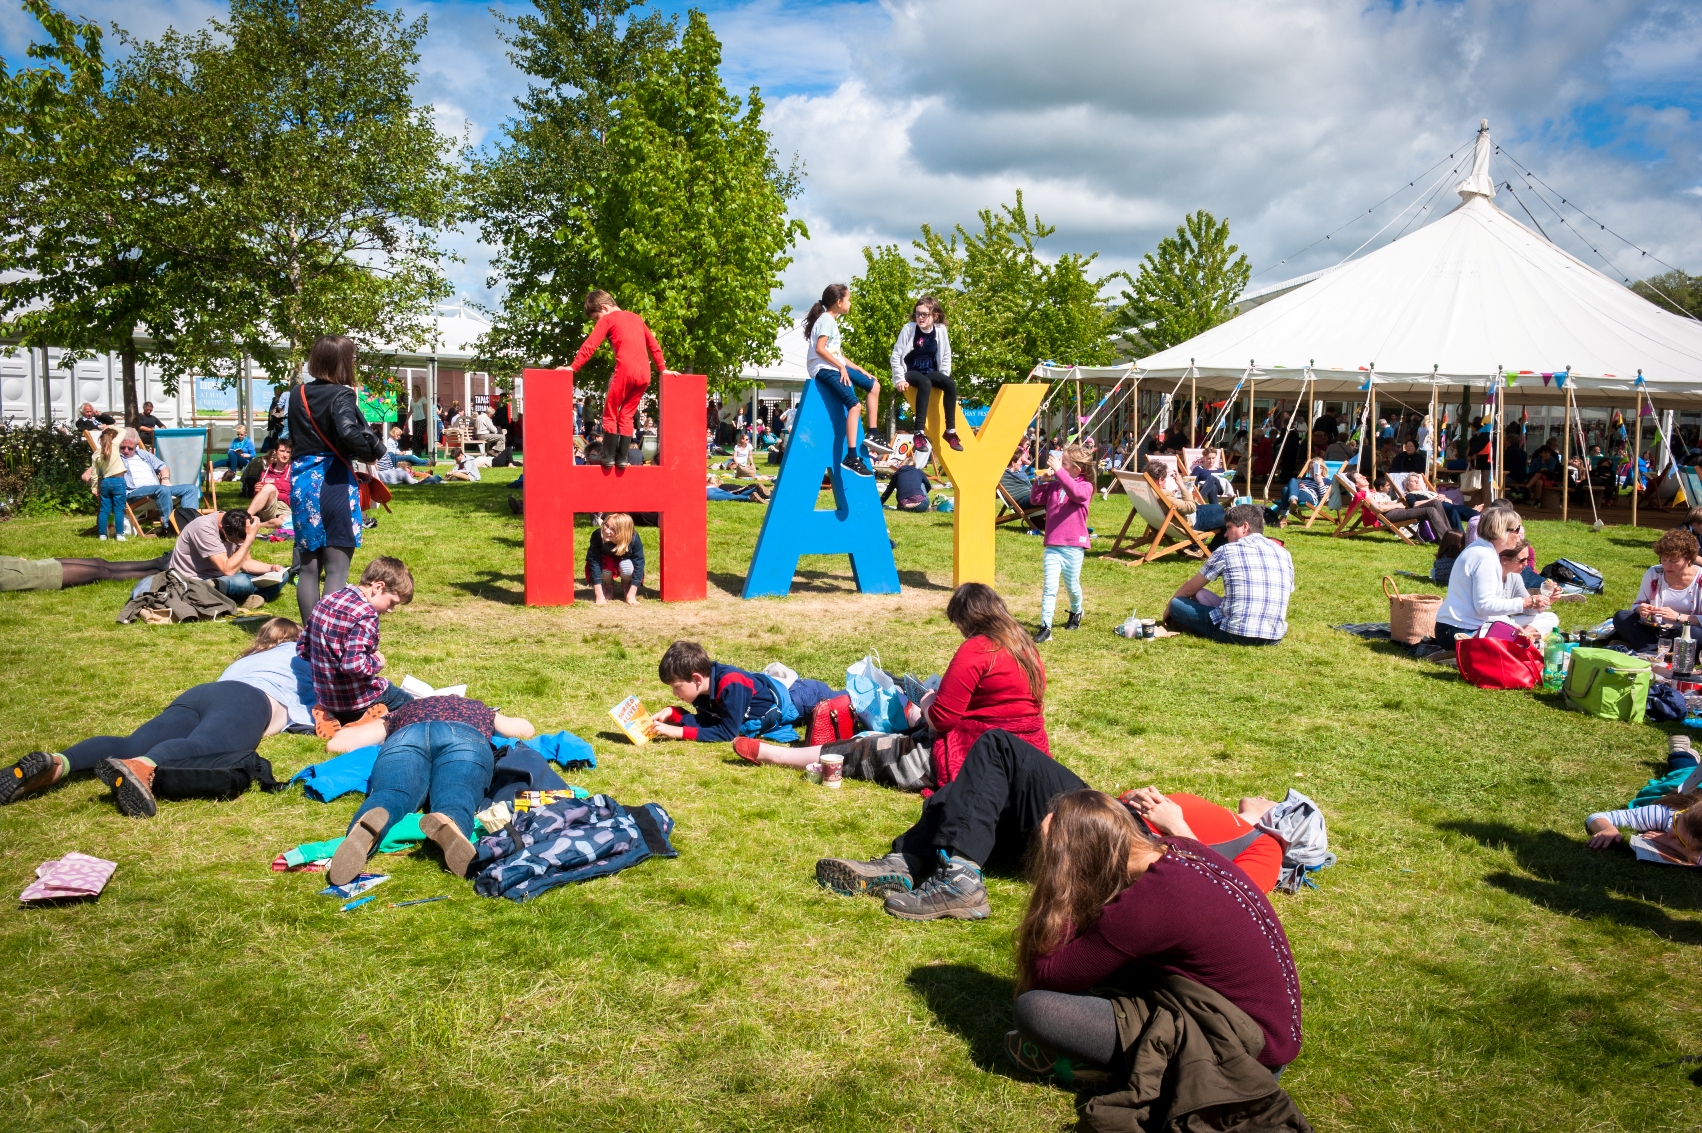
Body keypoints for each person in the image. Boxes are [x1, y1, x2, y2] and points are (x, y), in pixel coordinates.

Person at [814, 730, 1289, 922]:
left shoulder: (1264, 845)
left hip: (1110, 845)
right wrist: (1133, 800)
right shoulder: (1227, 815)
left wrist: (1178, 824)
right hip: (1102, 824)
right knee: (966, 793)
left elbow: (1231, 894)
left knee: (999, 748)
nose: (1269, 798)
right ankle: (909, 862)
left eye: (1281, 804)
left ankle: (958, 880)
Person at [1004, 790, 1303, 1087]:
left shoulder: (1148, 903)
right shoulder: (1181, 849)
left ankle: (1118, 1071)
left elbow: (1047, 976)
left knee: (1037, 1010)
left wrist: (1062, 880)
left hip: (1243, 1052)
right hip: (1269, 1030)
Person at [0, 617, 315, 815]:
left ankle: (58, 762)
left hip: (202, 693)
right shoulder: (304, 659)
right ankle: (141, 768)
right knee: (207, 745)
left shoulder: (248, 659)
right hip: (249, 700)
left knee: (130, 742)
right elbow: (319, 713)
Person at [322, 695, 537, 886]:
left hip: (406, 736)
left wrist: (385, 722)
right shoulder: (475, 707)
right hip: (464, 734)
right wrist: (491, 716)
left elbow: (338, 744)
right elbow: (525, 730)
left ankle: (370, 819)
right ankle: (449, 819)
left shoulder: (403, 710)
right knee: (458, 792)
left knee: (392, 793)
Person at [289, 334, 384, 624]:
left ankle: (310, 635)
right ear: (342, 361)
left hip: (302, 481)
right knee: (336, 568)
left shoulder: (296, 393)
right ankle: (326, 636)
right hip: (333, 481)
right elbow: (348, 431)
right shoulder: (342, 394)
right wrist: (369, 450)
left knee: (308, 568)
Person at [922, 582, 1048, 788]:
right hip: (1031, 748)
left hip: (985, 749)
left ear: (965, 620)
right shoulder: (1024, 644)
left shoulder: (977, 649)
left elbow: (942, 720)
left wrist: (927, 703)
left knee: (885, 748)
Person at [299, 555, 415, 736]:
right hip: (356, 700)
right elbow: (353, 665)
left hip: (326, 696)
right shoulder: (366, 614)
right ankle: (363, 722)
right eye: (392, 603)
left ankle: (329, 714)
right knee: (411, 706)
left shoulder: (327, 600)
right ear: (378, 587)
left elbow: (303, 649)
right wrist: (377, 661)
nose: (390, 610)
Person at [648, 640, 839, 744]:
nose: (675, 693)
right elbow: (711, 723)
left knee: (847, 704)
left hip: (803, 697)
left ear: (697, 679)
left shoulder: (731, 684)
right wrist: (676, 714)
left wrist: (678, 731)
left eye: (677, 687)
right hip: (794, 697)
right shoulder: (702, 691)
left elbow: (727, 732)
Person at [566, 290, 670, 469]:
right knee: (627, 415)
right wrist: (663, 369)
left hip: (625, 372)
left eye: (596, 318)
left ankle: (608, 457)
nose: (597, 321)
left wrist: (573, 367)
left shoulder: (608, 319)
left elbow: (590, 345)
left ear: (604, 308)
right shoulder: (637, 318)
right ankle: (622, 459)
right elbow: (654, 345)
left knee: (610, 413)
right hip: (644, 374)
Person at [1166, 505, 1293, 646]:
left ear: (1245, 527)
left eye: (1228, 528)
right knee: (1202, 594)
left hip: (1233, 632)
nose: (1225, 534)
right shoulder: (1284, 553)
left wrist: (1168, 608)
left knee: (1177, 604)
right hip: (1274, 636)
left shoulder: (1227, 550)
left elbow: (1190, 588)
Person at [1433, 506, 1547, 645]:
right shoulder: (1485, 557)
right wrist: (1525, 602)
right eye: (1517, 529)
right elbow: (1484, 606)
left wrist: (1508, 624)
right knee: (1522, 648)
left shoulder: (1482, 551)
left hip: (1457, 627)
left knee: (1540, 626)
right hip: (1461, 631)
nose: (1520, 535)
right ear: (1502, 531)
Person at [805, 283, 879, 479]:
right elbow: (820, 349)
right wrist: (840, 367)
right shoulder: (826, 320)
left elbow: (837, 354)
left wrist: (858, 368)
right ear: (839, 302)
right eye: (848, 299)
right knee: (854, 406)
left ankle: (874, 433)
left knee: (874, 385)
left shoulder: (830, 320)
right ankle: (851, 456)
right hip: (823, 369)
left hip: (833, 366)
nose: (850, 303)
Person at [1030, 443, 1092, 643]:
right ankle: (1045, 626)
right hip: (1053, 545)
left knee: (1072, 585)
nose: (1058, 465)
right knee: (1049, 587)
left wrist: (1059, 472)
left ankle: (1076, 611)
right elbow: (1035, 499)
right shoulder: (1055, 485)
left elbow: (1076, 494)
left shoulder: (1085, 487)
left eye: (1063, 463)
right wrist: (1042, 481)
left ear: (1077, 469)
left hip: (1074, 545)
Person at [169, 510, 286, 607]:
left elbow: (246, 563)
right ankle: (225, 593)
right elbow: (227, 570)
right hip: (195, 580)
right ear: (221, 527)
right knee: (242, 582)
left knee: (282, 574)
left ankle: (256, 597)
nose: (239, 543)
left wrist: (271, 568)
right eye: (234, 541)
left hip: (223, 577)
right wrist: (249, 540)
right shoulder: (204, 528)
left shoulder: (238, 525)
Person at [1611, 528, 1702, 651]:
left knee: (1696, 633)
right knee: (1622, 616)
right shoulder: (1654, 572)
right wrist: (1642, 609)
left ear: (1689, 559)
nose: (1667, 565)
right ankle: (1657, 649)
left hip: (1686, 632)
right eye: (1663, 559)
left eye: (1674, 561)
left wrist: (1678, 617)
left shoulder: (1700, 578)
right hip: (1657, 630)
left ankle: (1647, 648)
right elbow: (1637, 605)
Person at [890, 296, 962, 451]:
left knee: (950, 383)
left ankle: (950, 431)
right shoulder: (909, 329)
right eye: (918, 314)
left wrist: (943, 376)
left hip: (930, 370)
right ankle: (919, 433)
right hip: (911, 370)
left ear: (935, 315)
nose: (920, 318)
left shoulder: (940, 330)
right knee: (925, 383)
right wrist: (899, 379)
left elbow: (946, 355)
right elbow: (896, 356)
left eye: (924, 314)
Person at [1586, 786, 1702, 865]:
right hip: (1682, 782)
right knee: (1684, 765)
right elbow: (1597, 817)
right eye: (1676, 822)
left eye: (1680, 840)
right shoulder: (1666, 813)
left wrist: (1669, 842)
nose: (1671, 833)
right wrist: (1607, 828)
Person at [118, 429, 199, 521]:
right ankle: (169, 524)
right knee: (162, 489)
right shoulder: (115, 457)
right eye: (122, 447)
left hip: (158, 490)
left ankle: (191, 523)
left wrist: (165, 479)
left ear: (136, 445)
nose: (126, 451)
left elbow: (163, 467)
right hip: (134, 492)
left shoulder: (143, 454)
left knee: (191, 489)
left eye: (130, 448)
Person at [1349, 472, 1451, 542]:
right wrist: (1397, 505)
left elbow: (1386, 504)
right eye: (1360, 477)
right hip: (1390, 514)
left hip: (1398, 510)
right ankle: (1445, 541)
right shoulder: (1365, 495)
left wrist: (1396, 502)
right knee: (1430, 510)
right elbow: (1379, 509)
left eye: (1363, 476)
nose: (1364, 477)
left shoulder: (1373, 492)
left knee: (1435, 503)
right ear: (1356, 484)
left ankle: (1451, 536)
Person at [1, 552, 169, 593]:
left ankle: (158, 562)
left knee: (99, 562)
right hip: (27, 576)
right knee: (101, 572)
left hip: (18, 565)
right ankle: (157, 572)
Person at [587, 512, 644, 605]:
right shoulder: (597, 535)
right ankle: (608, 584)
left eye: (613, 529)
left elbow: (639, 563)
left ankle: (627, 584)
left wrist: (632, 594)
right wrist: (599, 595)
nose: (607, 531)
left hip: (625, 560)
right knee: (605, 566)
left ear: (623, 532)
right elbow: (594, 562)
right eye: (606, 525)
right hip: (606, 562)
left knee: (626, 567)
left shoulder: (633, 538)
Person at [88, 426, 129, 541]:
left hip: (105, 482)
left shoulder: (96, 454)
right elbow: (123, 431)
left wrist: (94, 488)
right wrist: (110, 426)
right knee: (118, 510)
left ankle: (102, 534)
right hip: (118, 481)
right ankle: (119, 534)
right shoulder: (114, 446)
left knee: (104, 510)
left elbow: (94, 473)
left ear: (100, 441)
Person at [242, 439, 294, 527]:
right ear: (275, 452)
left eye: (288, 452)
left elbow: (296, 499)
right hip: (267, 507)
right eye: (282, 451)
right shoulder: (266, 472)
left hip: (285, 508)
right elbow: (259, 498)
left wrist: (278, 495)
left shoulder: (293, 472)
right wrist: (257, 491)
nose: (285, 455)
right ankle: (245, 518)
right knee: (269, 487)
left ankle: (259, 524)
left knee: (282, 522)